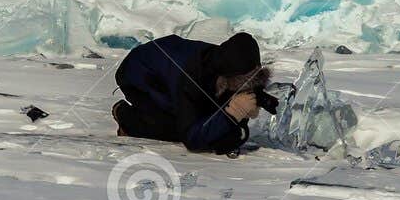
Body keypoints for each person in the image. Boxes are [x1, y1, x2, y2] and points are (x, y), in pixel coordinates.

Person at [111, 32, 278, 153]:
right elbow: (191, 139)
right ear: (227, 78)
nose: (245, 89)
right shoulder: (190, 78)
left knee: (210, 121)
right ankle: (126, 116)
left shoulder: (222, 61)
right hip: (138, 77)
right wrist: (234, 113)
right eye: (242, 85)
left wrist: (251, 104)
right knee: (176, 129)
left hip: (168, 66)